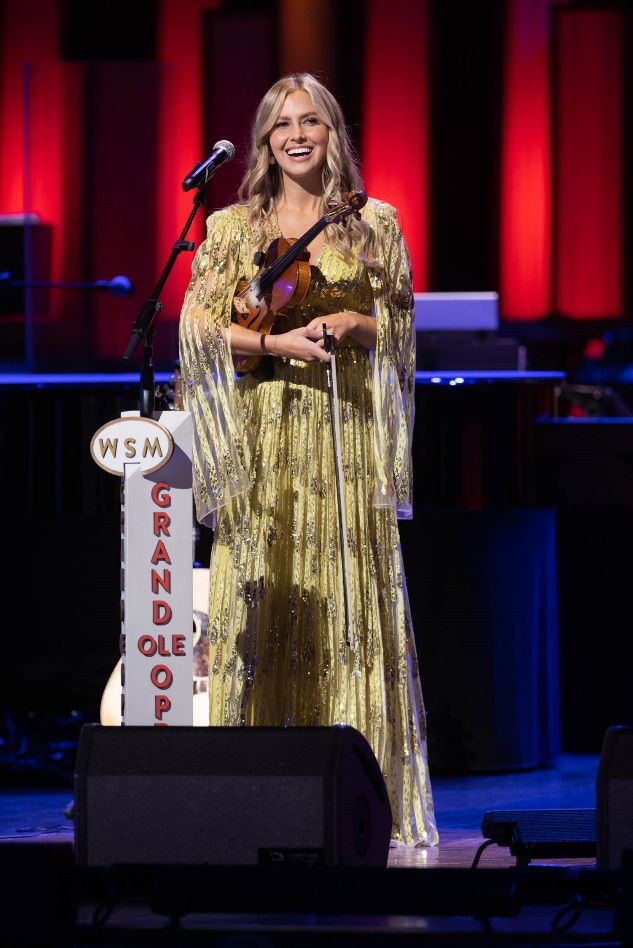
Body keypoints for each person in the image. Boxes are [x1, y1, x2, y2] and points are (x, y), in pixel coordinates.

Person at [178, 73, 438, 847]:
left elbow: (400, 330)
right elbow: (197, 328)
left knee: (350, 598)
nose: (297, 135)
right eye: (282, 124)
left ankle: (360, 799)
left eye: (311, 122)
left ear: (332, 133)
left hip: (345, 436)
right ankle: (252, 798)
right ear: (264, 140)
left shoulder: (374, 223)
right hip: (263, 438)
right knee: (265, 594)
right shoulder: (232, 226)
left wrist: (353, 321)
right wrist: (275, 343)